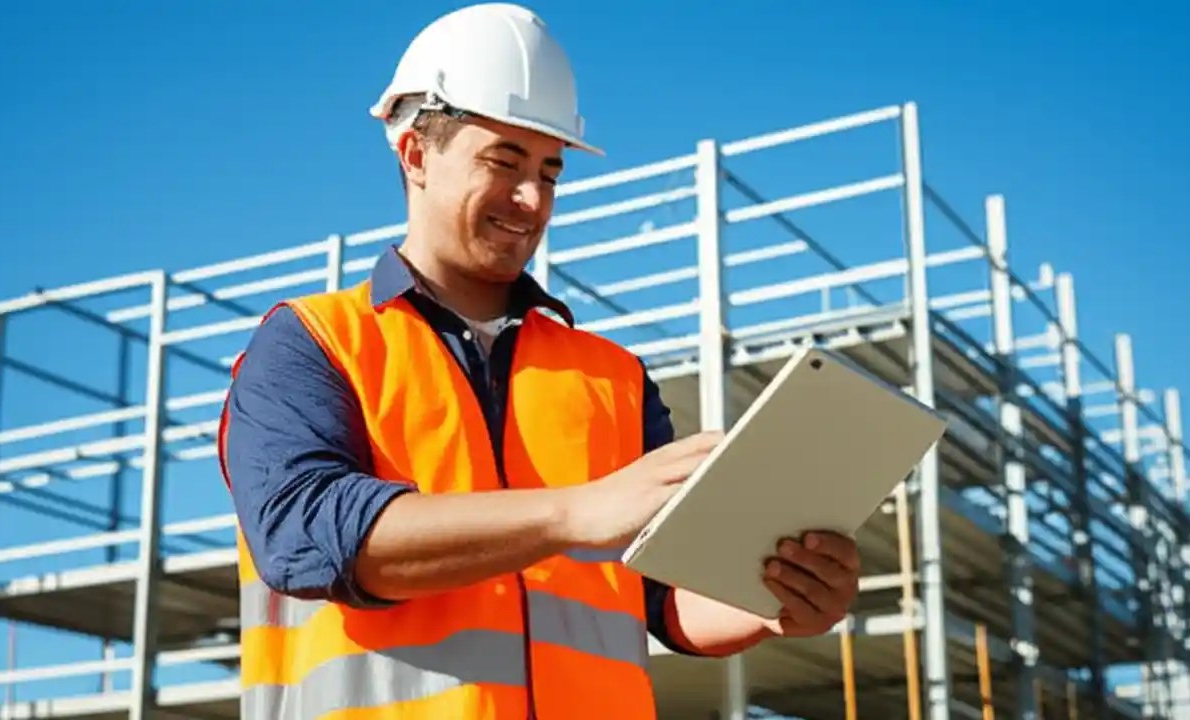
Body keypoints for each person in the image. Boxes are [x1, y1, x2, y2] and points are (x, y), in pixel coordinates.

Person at [217, 4, 861, 718]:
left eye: (549, 172)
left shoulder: (611, 378)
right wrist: (574, 512)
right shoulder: (312, 340)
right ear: (415, 155)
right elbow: (305, 535)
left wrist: (770, 600)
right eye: (503, 162)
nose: (530, 201)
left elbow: (663, 598)